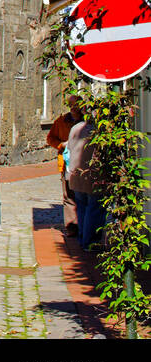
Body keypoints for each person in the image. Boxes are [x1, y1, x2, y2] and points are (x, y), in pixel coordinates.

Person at [66, 107, 105, 252]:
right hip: (93, 177)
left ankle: (83, 238)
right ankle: (90, 242)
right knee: (94, 209)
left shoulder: (75, 128)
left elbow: (69, 148)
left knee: (82, 208)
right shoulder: (98, 131)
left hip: (76, 175)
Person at [46, 95, 83, 236]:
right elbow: (50, 138)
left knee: (82, 196)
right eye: (72, 105)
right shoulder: (61, 121)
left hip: (83, 163)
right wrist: (60, 145)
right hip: (66, 163)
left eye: (77, 105)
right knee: (69, 196)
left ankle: (83, 225)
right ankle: (72, 227)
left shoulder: (87, 122)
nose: (74, 108)